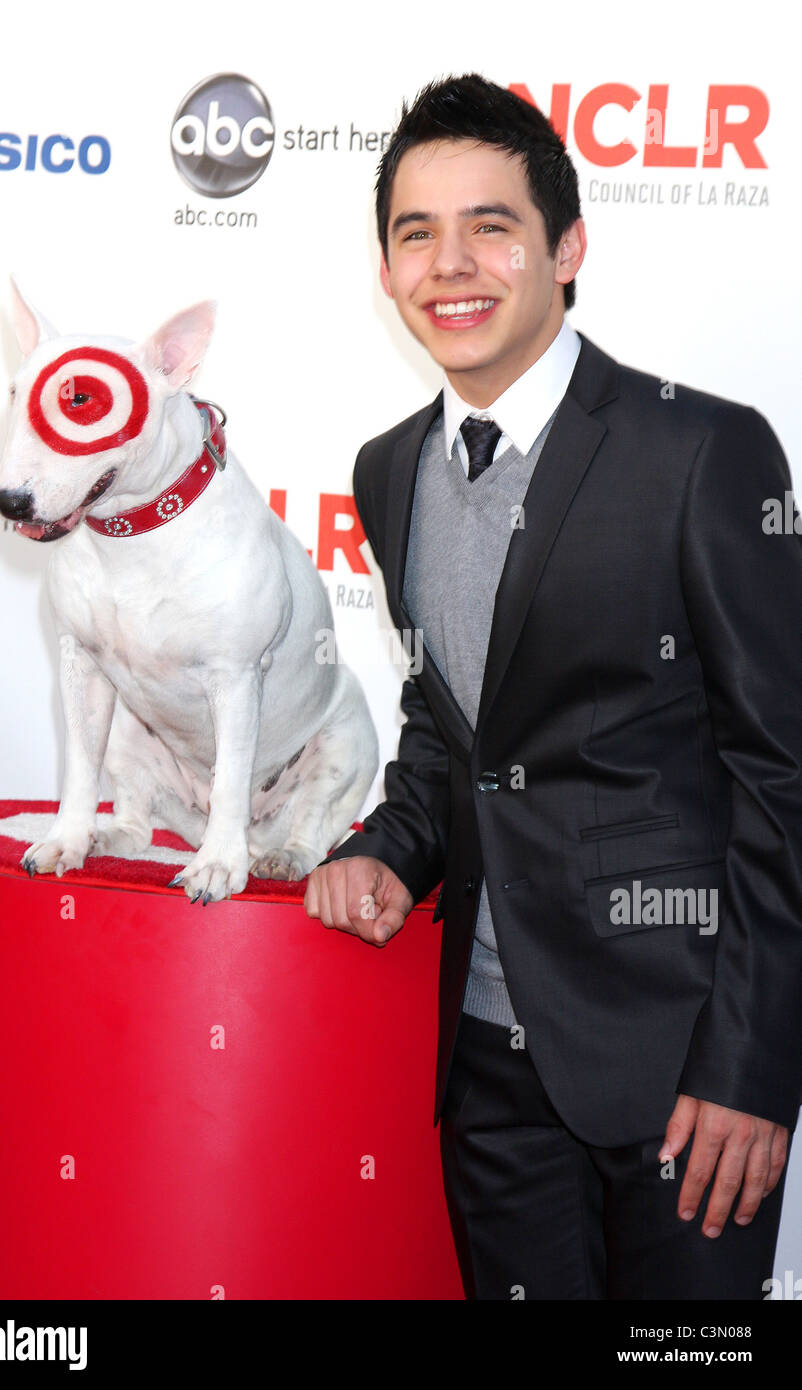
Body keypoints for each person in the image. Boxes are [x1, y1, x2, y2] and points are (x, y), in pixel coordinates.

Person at [303, 72, 802, 1300]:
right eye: (414, 232)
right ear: (384, 270)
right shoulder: (389, 469)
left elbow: (781, 774)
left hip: (680, 1067)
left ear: (564, 246)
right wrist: (387, 847)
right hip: (486, 1074)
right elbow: (450, 727)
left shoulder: (701, 451)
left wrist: (748, 1067)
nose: (450, 263)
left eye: (490, 225)